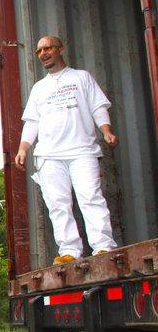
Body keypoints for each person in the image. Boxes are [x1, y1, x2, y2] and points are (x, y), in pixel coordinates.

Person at [15, 35, 119, 265]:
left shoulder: (81, 78)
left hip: (82, 151)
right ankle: (70, 250)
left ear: (61, 49)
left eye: (48, 48)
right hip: (49, 155)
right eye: (39, 50)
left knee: (90, 197)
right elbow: (32, 122)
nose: (43, 53)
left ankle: (103, 247)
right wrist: (23, 148)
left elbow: (98, 107)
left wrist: (106, 131)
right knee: (57, 204)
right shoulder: (39, 88)